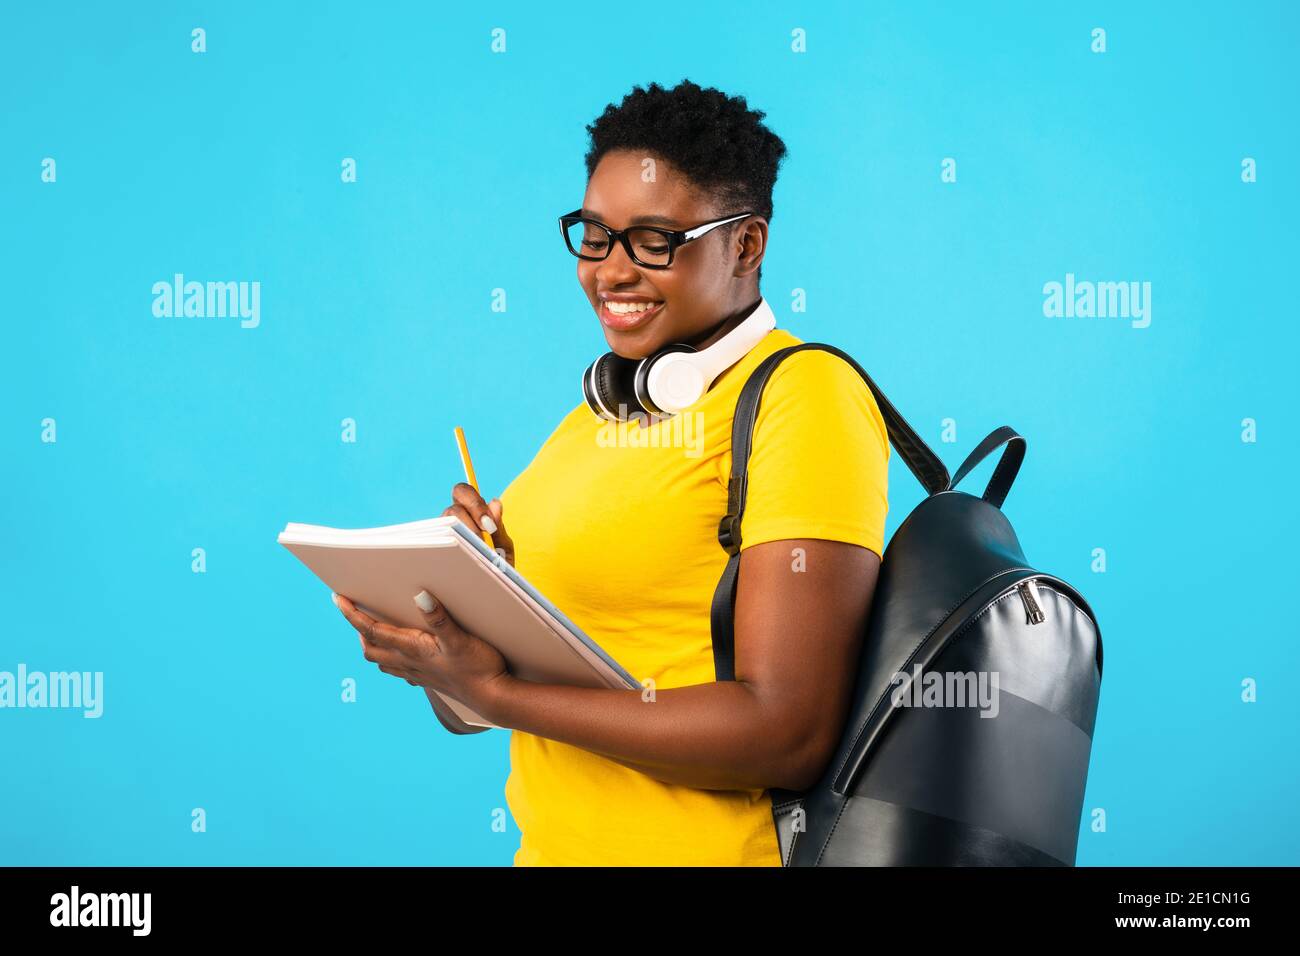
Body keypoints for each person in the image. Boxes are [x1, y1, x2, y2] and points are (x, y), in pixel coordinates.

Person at [333, 79, 890, 866]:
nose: (611, 272)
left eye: (654, 239)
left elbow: (787, 733)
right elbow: (482, 713)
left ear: (747, 245)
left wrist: (499, 692)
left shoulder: (806, 398)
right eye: (595, 236)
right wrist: (452, 644)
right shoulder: (596, 419)